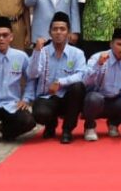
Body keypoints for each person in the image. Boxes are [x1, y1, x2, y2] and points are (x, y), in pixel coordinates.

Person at [28, 12, 87, 143]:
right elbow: (32, 74)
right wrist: (37, 52)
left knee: (78, 87)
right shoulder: (42, 51)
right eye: (55, 29)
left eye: (62, 29)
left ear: (68, 33)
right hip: (47, 97)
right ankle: (50, 125)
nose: (58, 32)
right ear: (49, 32)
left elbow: (81, 74)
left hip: (67, 98)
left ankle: (67, 130)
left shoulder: (77, 53)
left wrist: (60, 82)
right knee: (40, 114)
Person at [82, 27, 121, 141]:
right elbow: (85, 81)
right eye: (119, 44)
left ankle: (114, 123)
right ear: (111, 44)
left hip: (116, 100)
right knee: (93, 99)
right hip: (97, 100)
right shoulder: (97, 57)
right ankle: (90, 126)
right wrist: (98, 64)